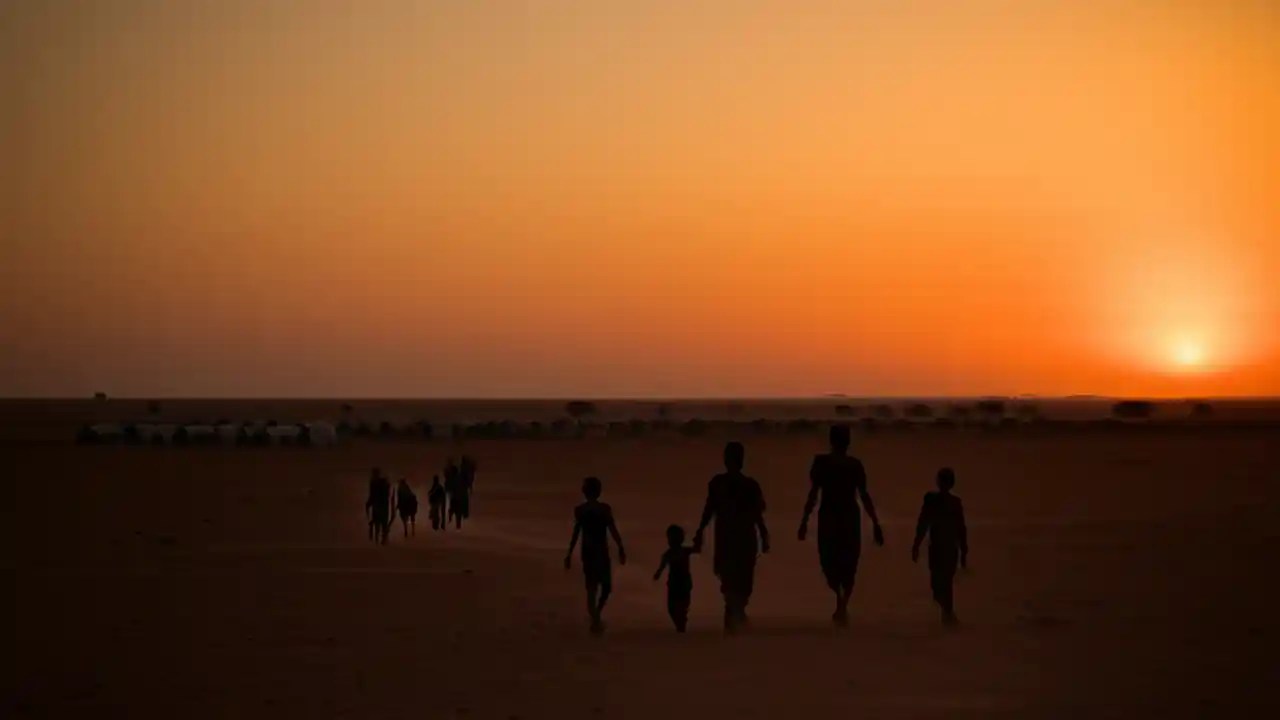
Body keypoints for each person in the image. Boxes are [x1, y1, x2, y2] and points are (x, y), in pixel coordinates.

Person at [797, 424, 885, 626]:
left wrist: (804, 520)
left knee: (836, 562)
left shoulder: (832, 464)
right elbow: (863, 496)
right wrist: (875, 522)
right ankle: (841, 601)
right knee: (842, 562)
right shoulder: (842, 464)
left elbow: (815, 494)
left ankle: (841, 602)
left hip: (836, 517)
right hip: (841, 517)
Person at [693, 441, 769, 633]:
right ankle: (735, 613)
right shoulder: (746, 485)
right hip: (739, 537)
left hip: (730, 537)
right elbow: (757, 514)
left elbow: (708, 510)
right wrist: (764, 534)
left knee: (733, 578)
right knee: (739, 578)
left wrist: (700, 531)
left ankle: (735, 612)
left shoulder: (721, 484)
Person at [564, 476, 627, 634]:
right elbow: (611, 529)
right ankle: (596, 617)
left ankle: (595, 617)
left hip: (591, 552)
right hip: (597, 552)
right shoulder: (601, 509)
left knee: (595, 588)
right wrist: (620, 547)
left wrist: (569, 553)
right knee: (603, 588)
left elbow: (576, 533)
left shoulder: (583, 510)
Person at [912, 467, 969, 626]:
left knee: (943, 583)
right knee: (939, 584)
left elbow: (960, 527)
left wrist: (964, 550)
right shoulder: (936, 500)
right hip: (941, 547)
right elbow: (924, 522)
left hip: (945, 548)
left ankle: (948, 614)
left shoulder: (948, 502)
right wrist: (917, 543)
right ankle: (948, 612)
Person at [653, 524, 698, 633]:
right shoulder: (669, 554)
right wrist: (658, 573)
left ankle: (681, 624)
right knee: (673, 608)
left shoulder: (684, 551)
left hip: (683, 582)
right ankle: (680, 623)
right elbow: (662, 566)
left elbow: (697, 549)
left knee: (681, 605)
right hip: (674, 583)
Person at [365, 468, 392, 545]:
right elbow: (387, 493)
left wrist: (369, 503)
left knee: (378, 520)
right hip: (383, 504)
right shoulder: (382, 482)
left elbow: (372, 494)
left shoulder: (374, 482)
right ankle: (382, 537)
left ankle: (378, 535)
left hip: (378, 504)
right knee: (383, 522)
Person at [444, 458, 468, 529]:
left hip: (455, 497)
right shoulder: (459, 478)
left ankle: (451, 519)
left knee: (452, 509)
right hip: (460, 497)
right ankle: (458, 525)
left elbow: (448, 487)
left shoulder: (452, 479)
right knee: (458, 513)